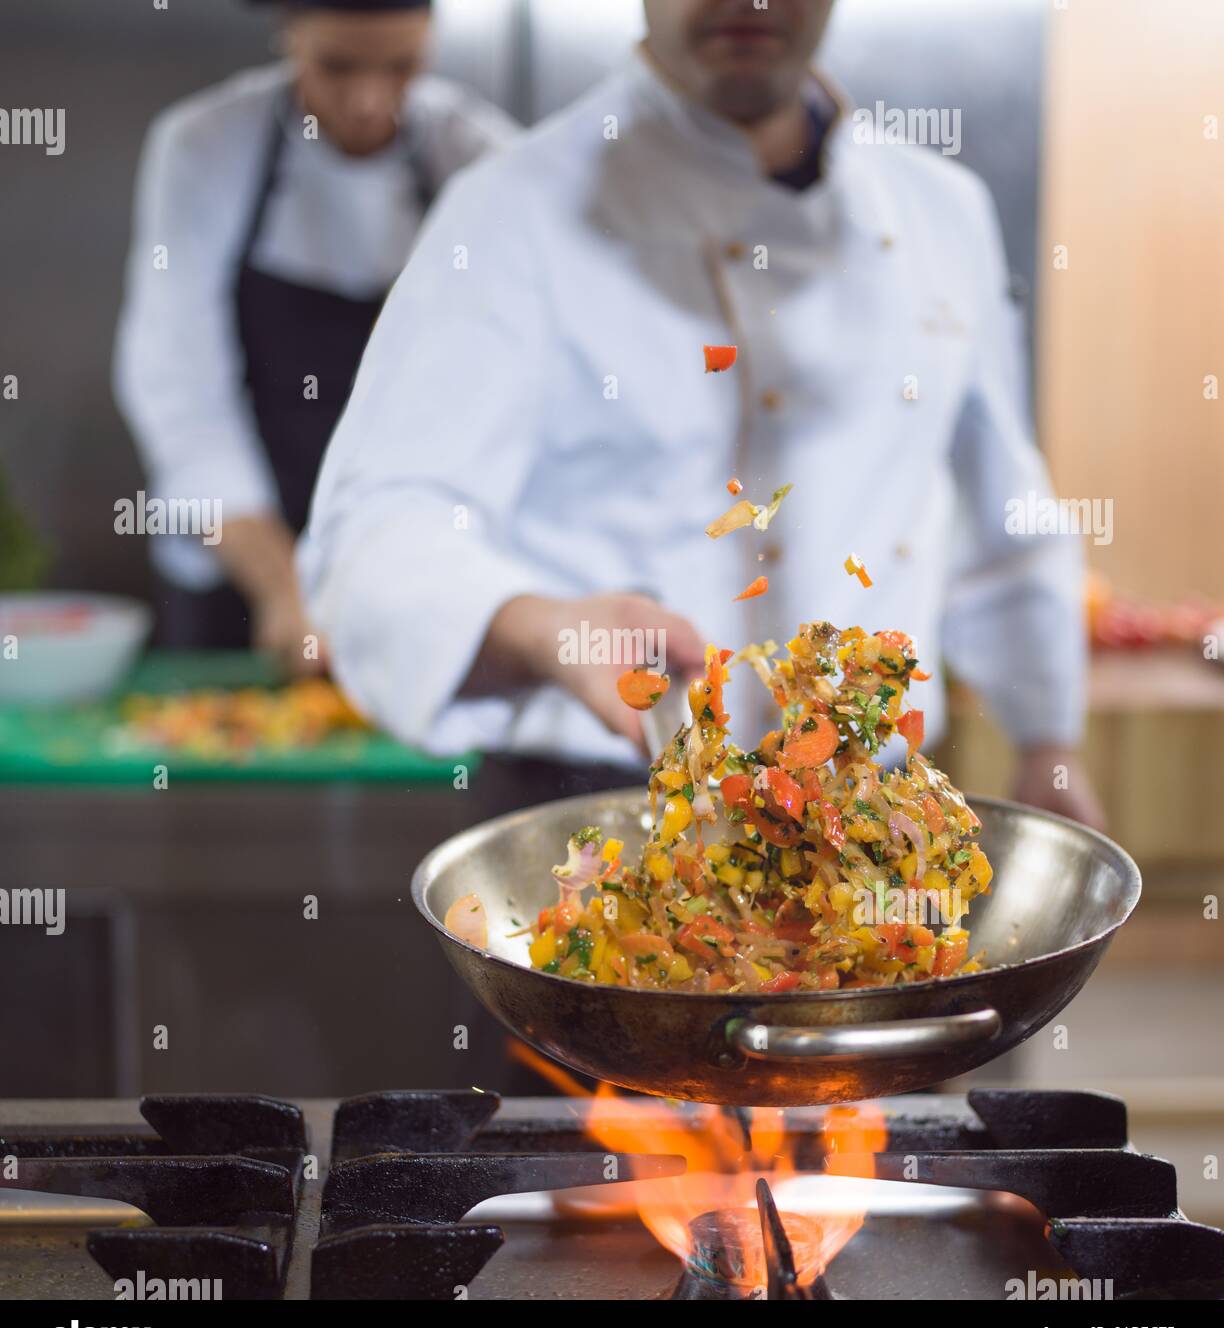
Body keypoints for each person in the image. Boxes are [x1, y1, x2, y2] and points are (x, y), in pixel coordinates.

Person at [299, 0, 1104, 827]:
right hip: (598, 811)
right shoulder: (509, 210)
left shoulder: (940, 210)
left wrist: (1049, 740)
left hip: (870, 810)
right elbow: (379, 528)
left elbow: (1003, 512)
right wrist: (544, 626)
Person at [114, 0, 518, 672]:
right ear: (287, 36)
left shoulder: (481, 157)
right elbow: (180, 394)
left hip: (416, 562)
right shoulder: (206, 144)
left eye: (403, 66)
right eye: (336, 66)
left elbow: (500, 392)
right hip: (236, 558)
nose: (369, 99)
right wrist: (283, 588)